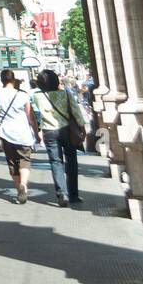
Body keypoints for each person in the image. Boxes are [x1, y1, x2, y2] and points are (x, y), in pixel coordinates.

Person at [30, 69, 86, 206]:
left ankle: (62, 193)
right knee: (71, 161)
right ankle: (74, 194)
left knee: (56, 162)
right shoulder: (65, 94)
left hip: (49, 132)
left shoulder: (37, 96)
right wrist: (82, 127)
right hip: (67, 130)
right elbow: (76, 111)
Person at [0, 70, 38, 204]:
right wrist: (37, 133)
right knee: (24, 159)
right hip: (23, 132)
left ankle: (18, 190)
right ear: (13, 79)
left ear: (1, 80)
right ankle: (23, 185)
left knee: (12, 161)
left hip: (5, 132)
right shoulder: (22, 95)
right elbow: (30, 116)